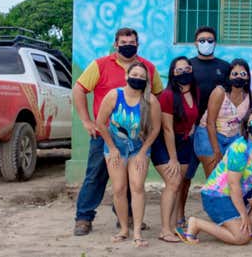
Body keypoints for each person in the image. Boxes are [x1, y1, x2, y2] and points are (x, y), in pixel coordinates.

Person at [73, 27, 164, 236]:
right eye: (123, 42)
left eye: (132, 42)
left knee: (133, 182)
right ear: (116, 44)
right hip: (104, 134)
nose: (128, 46)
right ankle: (84, 217)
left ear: (138, 44)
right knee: (95, 176)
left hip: (137, 138)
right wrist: (87, 121)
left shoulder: (148, 68)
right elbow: (79, 89)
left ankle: (127, 218)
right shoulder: (100, 65)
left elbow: (158, 95)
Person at [179, 109, 252, 245]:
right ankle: (197, 223)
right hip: (217, 196)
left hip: (240, 195)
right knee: (241, 238)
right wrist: (244, 214)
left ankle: (245, 226)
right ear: (246, 127)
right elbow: (234, 186)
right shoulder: (240, 148)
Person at [95, 61, 161, 248]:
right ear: (126, 76)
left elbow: (156, 129)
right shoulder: (114, 95)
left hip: (138, 149)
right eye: (135, 75)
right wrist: (112, 148)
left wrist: (142, 152)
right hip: (115, 148)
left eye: (142, 77)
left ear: (146, 80)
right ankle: (124, 229)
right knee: (118, 189)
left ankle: (138, 232)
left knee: (137, 186)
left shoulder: (150, 100)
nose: (137, 79)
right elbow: (100, 123)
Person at [151, 57, 200, 243]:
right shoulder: (167, 95)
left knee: (179, 184)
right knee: (172, 183)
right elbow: (167, 129)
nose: (183, 72)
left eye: (186, 68)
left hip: (185, 142)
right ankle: (164, 230)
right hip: (165, 143)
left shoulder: (194, 90)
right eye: (178, 70)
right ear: (172, 73)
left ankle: (173, 226)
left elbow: (193, 116)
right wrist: (173, 158)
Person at [185, 26, 231, 224]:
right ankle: (178, 216)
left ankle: (218, 217)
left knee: (216, 177)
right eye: (202, 40)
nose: (206, 43)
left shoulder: (225, 66)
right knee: (183, 178)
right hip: (189, 129)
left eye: (210, 40)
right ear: (195, 43)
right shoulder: (188, 66)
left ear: (215, 42)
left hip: (216, 131)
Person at [194, 59, 252, 178]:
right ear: (228, 76)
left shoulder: (249, 95)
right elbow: (210, 123)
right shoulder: (220, 92)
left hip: (233, 137)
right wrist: (216, 150)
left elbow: (244, 123)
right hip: (209, 134)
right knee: (214, 176)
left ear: (247, 78)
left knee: (231, 176)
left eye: (243, 74)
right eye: (235, 74)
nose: (239, 77)